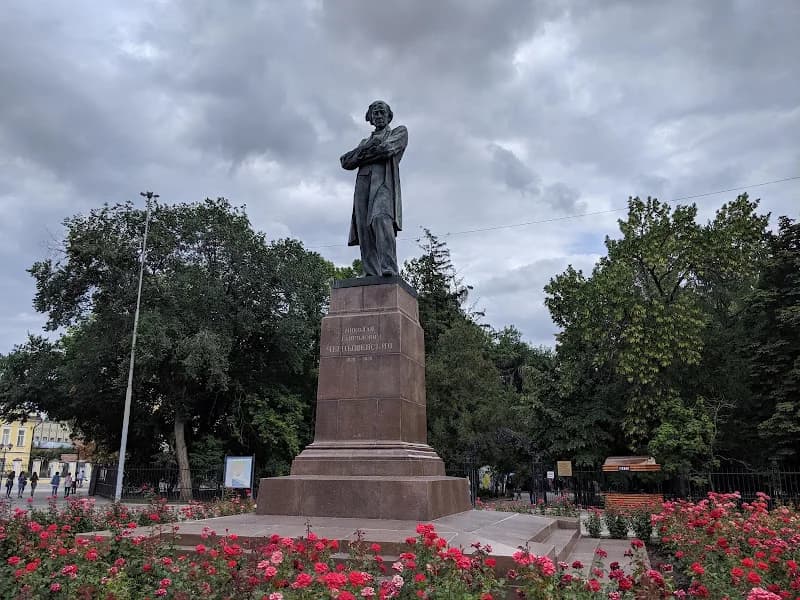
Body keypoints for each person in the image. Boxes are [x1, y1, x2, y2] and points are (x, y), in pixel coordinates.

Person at [340, 100, 408, 277]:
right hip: (363, 186)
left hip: (384, 183)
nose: (378, 116)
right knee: (364, 229)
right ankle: (371, 272)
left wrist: (361, 154)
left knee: (381, 219)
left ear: (388, 115)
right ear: (370, 118)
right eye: (375, 113)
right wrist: (367, 149)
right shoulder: (365, 141)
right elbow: (345, 162)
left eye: (382, 112)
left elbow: (386, 149)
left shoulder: (399, 132)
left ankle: (389, 269)